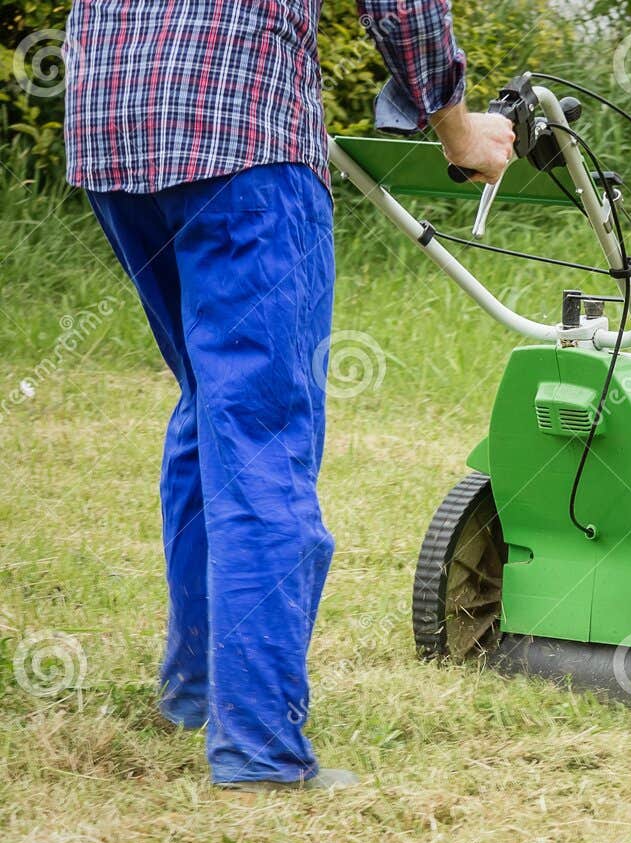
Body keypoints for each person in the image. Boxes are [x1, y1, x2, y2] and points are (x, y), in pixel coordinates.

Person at [63, 2, 514, 791]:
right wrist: (459, 128)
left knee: (214, 407)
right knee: (260, 430)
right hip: (237, 129)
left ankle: (195, 694)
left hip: (112, 119)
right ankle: (261, 752)